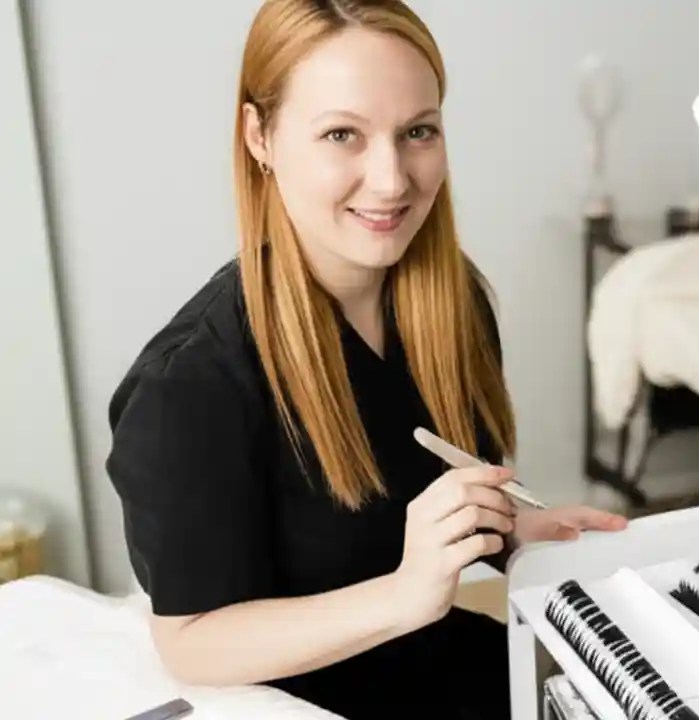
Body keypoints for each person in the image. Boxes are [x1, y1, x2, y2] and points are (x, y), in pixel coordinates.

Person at [104, 1, 627, 717]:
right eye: (342, 134)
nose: (391, 180)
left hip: (441, 665)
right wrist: (404, 595)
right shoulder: (190, 386)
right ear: (260, 135)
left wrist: (513, 532)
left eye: (417, 132)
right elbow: (191, 641)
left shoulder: (453, 306)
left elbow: (430, 499)